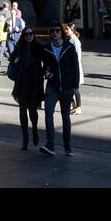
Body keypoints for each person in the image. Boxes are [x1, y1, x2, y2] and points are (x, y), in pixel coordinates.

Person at [39, 23, 80, 156]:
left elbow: (75, 67)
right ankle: (50, 144)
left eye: (57, 31)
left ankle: (68, 147)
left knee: (65, 116)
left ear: (61, 33)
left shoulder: (69, 47)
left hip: (67, 87)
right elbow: (45, 66)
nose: (55, 33)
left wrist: (75, 86)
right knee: (48, 112)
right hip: (52, 86)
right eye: (53, 31)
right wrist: (47, 73)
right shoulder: (47, 48)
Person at [9, 25, 44, 148]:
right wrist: (16, 60)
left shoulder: (39, 47)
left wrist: (46, 71)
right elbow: (11, 58)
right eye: (26, 34)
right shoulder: (20, 47)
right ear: (23, 36)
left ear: (34, 35)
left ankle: (34, 131)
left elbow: (46, 60)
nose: (29, 36)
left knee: (33, 111)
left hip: (34, 83)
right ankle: (25, 138)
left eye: (31, 34)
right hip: (22, 83)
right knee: (22, 112)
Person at [68, 23, 85, 114]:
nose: (66, 31)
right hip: (69, 68)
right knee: (69, 87)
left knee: (75, 88)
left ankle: (78, 107)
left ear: (72, 30)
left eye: (67, 29)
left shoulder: (76, 41)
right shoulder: (69, 40)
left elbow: (78, 57)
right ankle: (73, 105)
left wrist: (74, 68)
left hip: (75, 68)